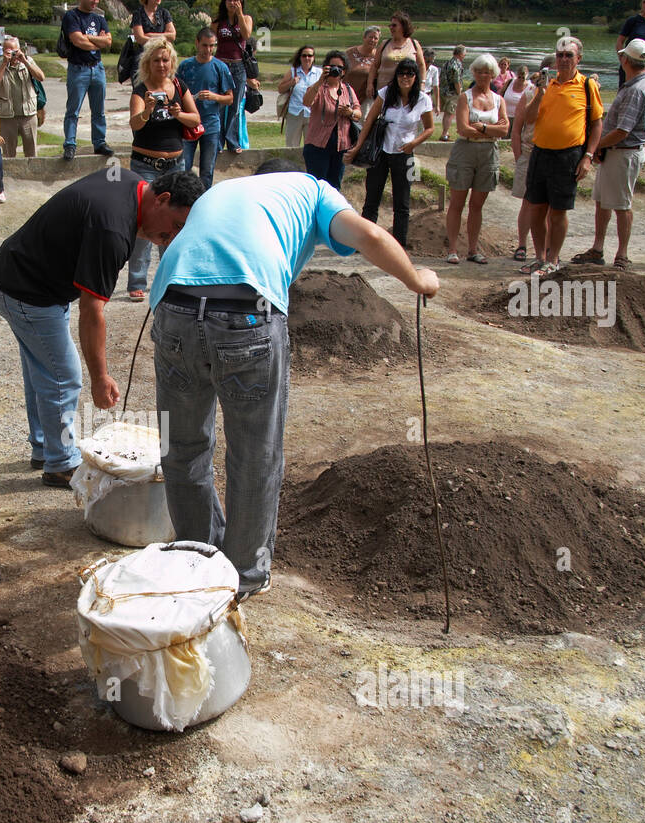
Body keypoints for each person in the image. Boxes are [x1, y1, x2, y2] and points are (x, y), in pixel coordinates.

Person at [147, 163, 439, 597]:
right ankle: (243, 574)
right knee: (254, 454)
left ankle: (196, 561)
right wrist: (419, 279)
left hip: (175, 310)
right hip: (246, 315)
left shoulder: (223, 190)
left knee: (183, 445)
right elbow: (370, 236)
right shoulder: (315, 191)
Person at [0, 169, 204, 486]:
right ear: (163, 199)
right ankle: (61, 464)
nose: (170, 238)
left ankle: (45, 449)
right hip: (26, 291)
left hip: (21, 275)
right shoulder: (113, 230)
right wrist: (99, 378)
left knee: (43, 370)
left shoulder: (131, 184)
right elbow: (91, 310)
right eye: (175, 226)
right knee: (63, 376)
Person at [517, 35, 603, 278]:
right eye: (560, 55)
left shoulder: (587, 86)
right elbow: (530, 118)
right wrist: (541, 93)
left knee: (558, 210)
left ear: (578, 59)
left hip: (568, 155)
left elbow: (597, 124)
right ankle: (540, 257)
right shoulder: (546, 86)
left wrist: (588, 156)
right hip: (540, 152)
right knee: (535, 208)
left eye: (568, 56)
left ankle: (553, 258)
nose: (563, 60)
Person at [569, 39, 645, 270]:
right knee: (603, 202)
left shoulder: (636, 89)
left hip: (624, 153)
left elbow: (622, 131)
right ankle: (598, 248)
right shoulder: (635, 85)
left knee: (621, 205)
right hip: (618, 152)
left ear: (625, 60)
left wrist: (595, 146)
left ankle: (622, 254)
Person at [127, 37, 200, 301]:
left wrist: (178, 113)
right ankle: (137, 280)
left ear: (172, 62)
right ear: (148, 62)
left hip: (176, 165)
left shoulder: (179, 86)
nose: (161, 64)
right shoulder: (140, 89)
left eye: (165, 59)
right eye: (156, 59)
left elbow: (196, 119)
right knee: (145, 222)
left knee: (175, 221)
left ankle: (171, 276)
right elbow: (134, 125)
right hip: (145, 164)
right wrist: (147, 109)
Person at [346, 57, 433, 248]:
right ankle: (365, 241)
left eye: (410, 74)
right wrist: (358, 147)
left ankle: (399, 244)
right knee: (372, 197)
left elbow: (429, 128)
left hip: (404, 153)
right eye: (401, 73)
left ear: (415, 77)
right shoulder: (386, 93)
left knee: (402, 201)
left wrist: (414, 143)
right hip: (381, 152)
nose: (405, 77)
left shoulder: (422, 99)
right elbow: (369, 120)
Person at [444, 53, 508, 264]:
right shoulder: (466, 97)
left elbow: (505, 129)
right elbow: (463, 128)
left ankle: (473, 249)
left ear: (493, 74)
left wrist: (482, 128)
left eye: (487, 72)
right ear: (474, 73)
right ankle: (452, 249)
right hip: (466, 151)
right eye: (479, 71)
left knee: (477, 205)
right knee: (457, 202)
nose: (483, 76)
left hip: (489, 153)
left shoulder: (498, 99)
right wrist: (491, 130)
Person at [177, 28, 233, 190]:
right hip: (188, 124)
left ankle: (204, 200)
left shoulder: (220, 67)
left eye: (212, 46)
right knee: (184, 167)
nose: (208, 50)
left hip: (211, 125)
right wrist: (193, 98)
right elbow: (176, 94)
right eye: (205, 45)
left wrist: (214, 97)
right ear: (197, 43)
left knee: (207, 170)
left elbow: (230, 98)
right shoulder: (186, 66)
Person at [509, 60, 554, 263]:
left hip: (553, 155)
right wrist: (519, 157)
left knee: (551, 206)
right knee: (528, 202)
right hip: (529, 154)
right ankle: (522, 244)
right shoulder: (529, 94)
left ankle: (548, 248)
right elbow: (518, 127)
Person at [61, 0, 113, 161]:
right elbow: (78, 41)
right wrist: (98, 40)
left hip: (97, 68)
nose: (95, 2)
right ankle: (70, 144)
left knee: (99, 110)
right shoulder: (71, 16)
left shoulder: (99, 18)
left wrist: (88, 37)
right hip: (78, 69)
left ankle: (99, 143)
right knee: (73, 110)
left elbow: (108, 42)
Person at [302, 50, 360, 190]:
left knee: (334, 187)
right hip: (318, 146)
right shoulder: (319, 88)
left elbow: (358, 113)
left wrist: (350, 112)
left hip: (341, 146)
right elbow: (307, 102)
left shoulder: (347, 89)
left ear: (344, 71)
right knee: (317, 186)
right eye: (332, 66)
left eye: (340, 68)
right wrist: (321, 79)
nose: (336, 70)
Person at [0, 36, 45, 158]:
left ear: (19, 50)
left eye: (13, 51)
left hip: (28, 114)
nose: (11, 54)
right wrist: (4, 64)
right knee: (8, 154)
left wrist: (25, 61)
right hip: (7, 116)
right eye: (7, 51)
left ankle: (32, 175)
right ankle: (9, 176)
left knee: (32, 151)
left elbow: (41, 77)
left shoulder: (27, 61)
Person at [212, 0, 252, 154]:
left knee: (235, 106)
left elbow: (246, 34)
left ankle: (233, 142)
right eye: (229, 0)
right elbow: (210, 40)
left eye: (236, 0)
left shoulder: (246, 18)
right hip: (221, 65)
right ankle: (217, 143)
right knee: (220, 105)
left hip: (238, 66)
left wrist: (239, 14)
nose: (232, 2)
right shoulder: (218, 22)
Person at [369, 12, 426, 101]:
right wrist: (370, 84)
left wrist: (422, 83)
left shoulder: (414, 44)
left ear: (404, 26)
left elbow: (422, 66)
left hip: (407, 91)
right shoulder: (384, 44)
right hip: (384, 90)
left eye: (394, 25)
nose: (391, 28)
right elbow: (374, 66)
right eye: (390, 25)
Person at [616, 0, 645, 89]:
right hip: (630, 64)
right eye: (644, 2)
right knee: (625, 93)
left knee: (644, 93)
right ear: (641, 4)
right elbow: (620, 41)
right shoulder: (633, 21)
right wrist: (622, 59)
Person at [278, 46, 319, 148]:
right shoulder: (293, 71)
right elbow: (280, 89)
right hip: (294, 113)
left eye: (310, 55)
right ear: (300, 57)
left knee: (311, 146)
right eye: (304, 55)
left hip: (312, 114)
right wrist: (291, 83)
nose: (307, 58)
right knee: (291, 146)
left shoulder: (319, 73)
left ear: (313, 57)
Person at [127, 0, 175, 84]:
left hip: (162, 58)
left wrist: (150, 35)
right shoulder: (138, 13)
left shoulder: (164, 13)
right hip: (143, 59)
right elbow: (140, 38)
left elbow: (172, 36)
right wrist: (163, 38)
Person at [346, 26, 381, 105]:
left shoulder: (379, 56)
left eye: (376, 38)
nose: (373, 40)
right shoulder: (350, 52)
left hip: (367, 98)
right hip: (347, 94)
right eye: (370, 37)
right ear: (364, 38)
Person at [437, 45, 465, 141]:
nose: (464, 56)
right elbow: (456, 80)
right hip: (452, 93)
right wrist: (459, 92)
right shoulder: (456, 64)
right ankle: (444, 134)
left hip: (443, 91)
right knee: (450, 114)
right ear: (461, 54)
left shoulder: (447, 63)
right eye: (464, 54)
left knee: (446, 114)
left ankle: (446, 132)